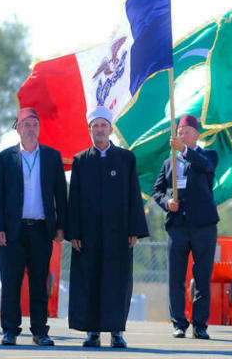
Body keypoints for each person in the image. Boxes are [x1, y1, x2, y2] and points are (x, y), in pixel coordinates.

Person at [67, 106, 149, 349]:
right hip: (88, 235)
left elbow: (135, 195)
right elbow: (74, 199)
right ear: (90, 129)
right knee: (89, 280)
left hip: (118, 233)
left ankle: (116, 332)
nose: (99, 130)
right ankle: (92, 332)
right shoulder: (81, 160)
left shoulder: (126, 159)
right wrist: (74, 233)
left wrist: (135, 229)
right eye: (95, 126)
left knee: (117, 282)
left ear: (111, 129)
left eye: (103, 125)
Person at [0, 108, 67, 346]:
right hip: (12, 231)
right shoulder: (5, 158)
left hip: (42, 230)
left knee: (39, 283)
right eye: (26, 125)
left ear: (39, 128)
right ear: (18, 129)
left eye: (35, 124)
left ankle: (40, 331)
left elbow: (60, 196)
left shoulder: (53, 157)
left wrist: (62, 227)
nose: (31, 129)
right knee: (11, 282)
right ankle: (10, 330)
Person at [151, 114, 219, 339]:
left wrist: (184, 151)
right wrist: (166, 203)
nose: (181, 135)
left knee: (201, 276)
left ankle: (200, 324)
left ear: (196, 135)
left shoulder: (207, 155)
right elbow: (157, 190)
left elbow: (205, 167)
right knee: (175, 277)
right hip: (178, 226)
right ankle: (179, 322)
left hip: (203, 226)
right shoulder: (169, 162)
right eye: (179, 132)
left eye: (186, 132)